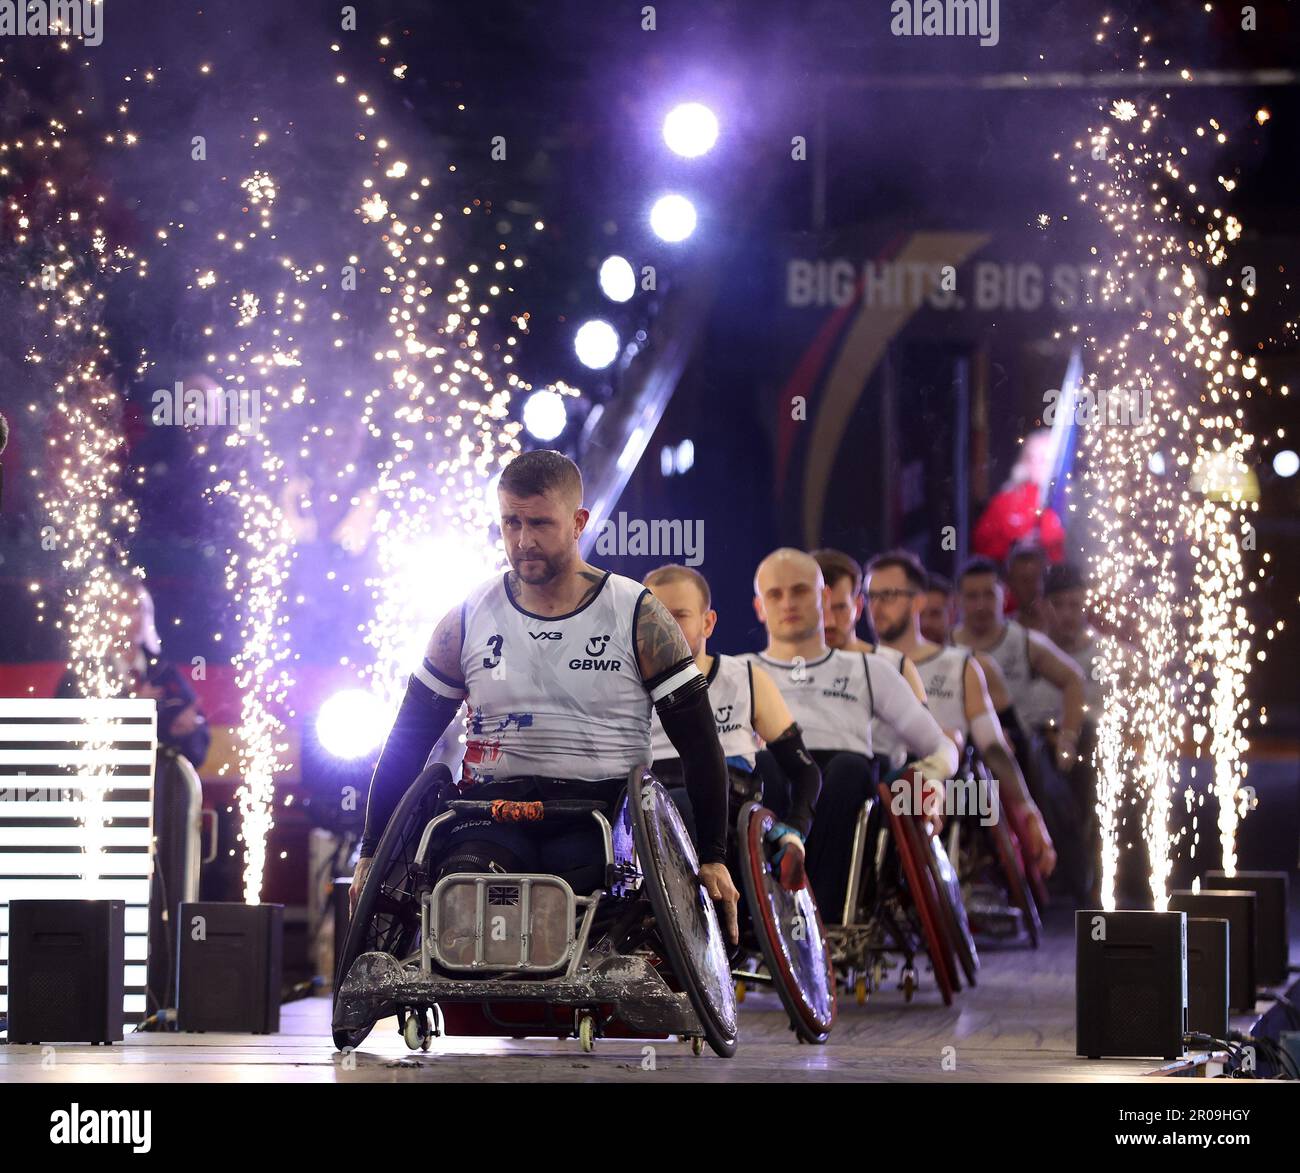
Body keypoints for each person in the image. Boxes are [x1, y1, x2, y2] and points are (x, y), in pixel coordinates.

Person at [350, 450, 740, 939]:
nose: (523, 540)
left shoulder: (638, 615)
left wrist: (713, 857)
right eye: (510, 522)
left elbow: (702, 746)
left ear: (579, 522)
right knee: (462, 896)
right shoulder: (466, 618)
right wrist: (370, 851)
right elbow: (406, 742)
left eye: (539, 523)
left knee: (568, 907)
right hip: (492, 810)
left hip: (599, 817)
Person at [738, 548, 957, 921]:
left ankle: (824, 916)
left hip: (846, 783)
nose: (788, 602)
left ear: (824, 598)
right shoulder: (737, 672)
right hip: (771, 778)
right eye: (775, 594)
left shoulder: (871, 670)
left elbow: (940, 746)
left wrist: (932, 783)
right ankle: (765, 912)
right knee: (765, 765)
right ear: (760, 607)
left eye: (800, 591)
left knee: (849, 768)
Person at [864, 550, 1056, 875]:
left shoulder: (960, 666)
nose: (877, 606)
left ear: (917, 602)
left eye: (889, 595)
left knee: (944, 775)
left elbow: (993, 746)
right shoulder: (859, 664)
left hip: (945, 784)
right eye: (871, 596)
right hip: (876, 775)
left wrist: (1027, 809)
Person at [644, 564, 821, 891]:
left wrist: (795, 830)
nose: (665, 629)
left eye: (679, 616)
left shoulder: (746, 678)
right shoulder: (626, 687)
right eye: (654, 617)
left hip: (727, 809)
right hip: (651, 804)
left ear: (707, 623)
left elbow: (805, 770)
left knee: (683, 803)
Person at [953, 556, 1093, 900]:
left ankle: (1062, 878)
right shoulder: (947, 646)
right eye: (972, 596)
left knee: (1044, 771)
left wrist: (1068, 739)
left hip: (1024, 745)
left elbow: (1073, 678)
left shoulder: (1023, 641)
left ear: (1003, 596)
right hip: (969, 747)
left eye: (989, 594)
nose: (981, 604)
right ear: (960, 601)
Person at [56, 578, 211, 769]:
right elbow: (64, 736)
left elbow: (198, 747)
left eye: (139, 609)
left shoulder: (163, 670)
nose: (133, 618)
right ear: (104, 616)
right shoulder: (85, 673)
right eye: (122, 608)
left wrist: (187, 731)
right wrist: (131, 708)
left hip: (158, 789)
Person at [812, 546, 928, 777]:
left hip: (876, 785)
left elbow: (926, 743)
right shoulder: (788, 668)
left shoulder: (895, 666)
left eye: (840, 608)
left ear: (857, 606)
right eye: (820, 609)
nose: (830, 622)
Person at [1005, 538, 1049, 628]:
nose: (1032, 587)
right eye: (1024, 580)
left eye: (1036, 578)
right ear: (1011, 584)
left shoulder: (1061, 627)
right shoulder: (1003, 630)